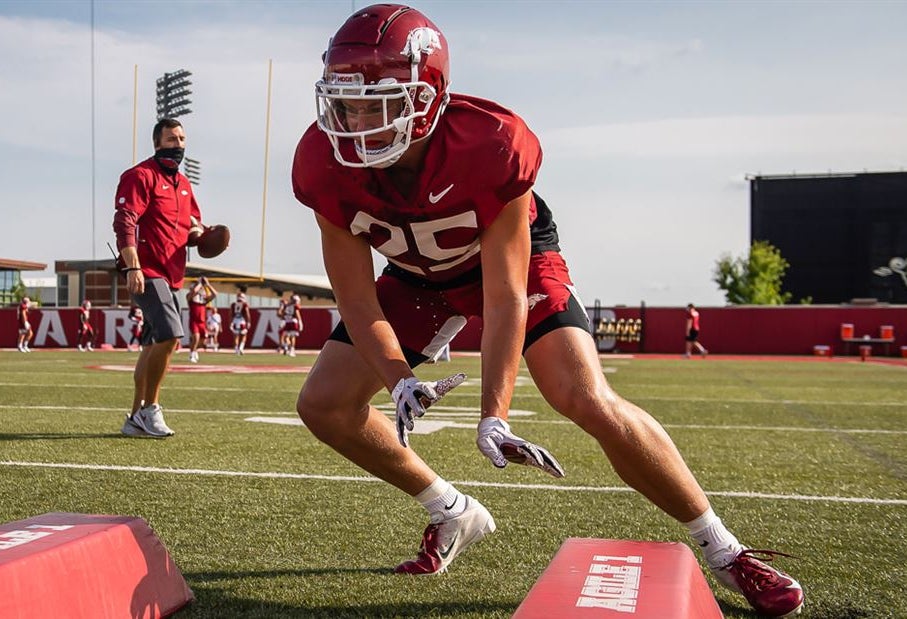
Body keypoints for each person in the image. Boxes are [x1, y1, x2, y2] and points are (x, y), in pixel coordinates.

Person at [290, 6, 802, 617]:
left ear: (428, 96)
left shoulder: (492, 143)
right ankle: (451, 512)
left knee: (583, 396)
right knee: (324, 405)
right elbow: (356, 296)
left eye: (377, 103)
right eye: (347, 104)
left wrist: (493, 416)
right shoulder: (322, 163)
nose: (357, 122)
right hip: (415, 276)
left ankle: (725, 551)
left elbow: (504, 293)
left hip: (513, 265)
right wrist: (399, 379)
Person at [114, 117, 207, 438]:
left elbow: (194, 222)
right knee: (170, 335)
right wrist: (132, 266)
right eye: (171, 139)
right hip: (147, 269)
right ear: (157, 143)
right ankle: (150, 409)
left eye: (181, 139)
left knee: (154, 342)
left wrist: (201, 233)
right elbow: (124, 220)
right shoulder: (140, 176)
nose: (178, 144)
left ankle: (135, 415)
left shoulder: (183, 184)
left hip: (171, 274)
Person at [187, 276, 216, 362]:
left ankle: (194, 350)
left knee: (203, 341)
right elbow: (194, 292)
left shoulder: (203, 299)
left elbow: (215, 294)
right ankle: (192, 354)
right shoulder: (189, 297)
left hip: (202, 322)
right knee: (196, 337)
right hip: (194, 321)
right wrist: (200, 283)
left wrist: (208, 285)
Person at [277, 292, 303, 357]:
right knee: (289, 336)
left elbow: (280, 314)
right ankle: (289, 348)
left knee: (290, 336)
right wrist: (300, 322)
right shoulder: (291, 305)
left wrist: (300, 322)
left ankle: (291, 349)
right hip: (290, 321)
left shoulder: (288, 305)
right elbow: (297, 314)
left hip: (290, 321)